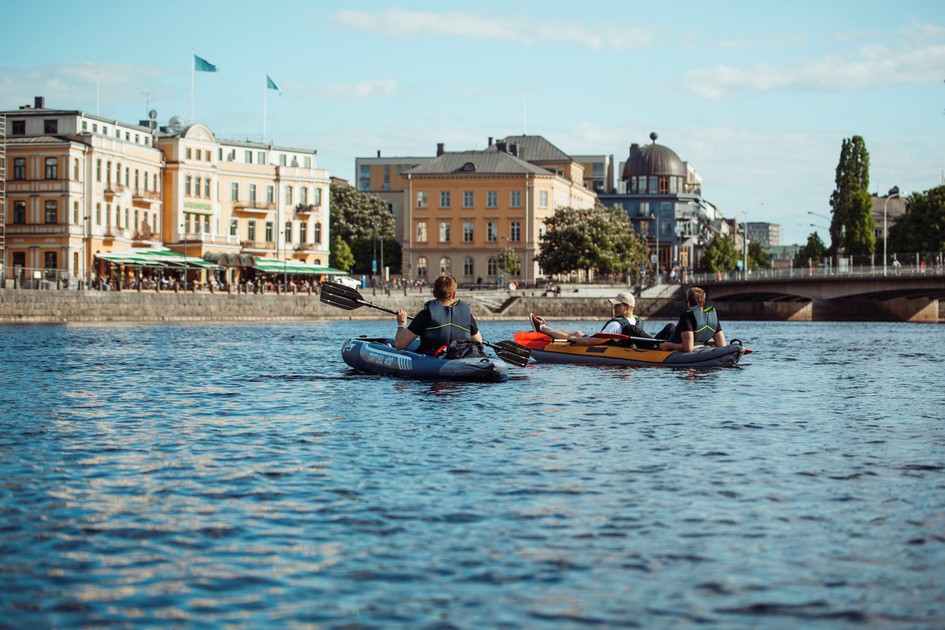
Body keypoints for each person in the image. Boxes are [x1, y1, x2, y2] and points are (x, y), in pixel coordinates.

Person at [395, 275, 484, 357]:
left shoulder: (425, 314)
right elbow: (478, 342)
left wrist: (401, 324)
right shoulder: (467, 314)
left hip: (433, 359)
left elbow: (400, 345)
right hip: (461, 356)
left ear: (434, 293)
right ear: (454, 294)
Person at [529, 292, 649, 347]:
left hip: (602, 345)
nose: (614, 307)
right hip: (612, 343)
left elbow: (590, 342)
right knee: (578, 333)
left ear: (627, 308)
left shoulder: (615, 325)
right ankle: (544, 328)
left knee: (575, 336)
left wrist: (575, 340)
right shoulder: (636, 321)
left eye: (618, 305)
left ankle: (542, 328)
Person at [658, 287, 726, 352]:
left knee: (669, 327)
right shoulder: (712, 317)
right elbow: (722, 344)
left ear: (689, 302)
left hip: (674, 343)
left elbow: (688, 348)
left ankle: (651, 346)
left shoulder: (687, 317)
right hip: (679, 337)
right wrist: (704, 344)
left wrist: (668, 345)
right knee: (670, 327)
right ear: (703, 302)